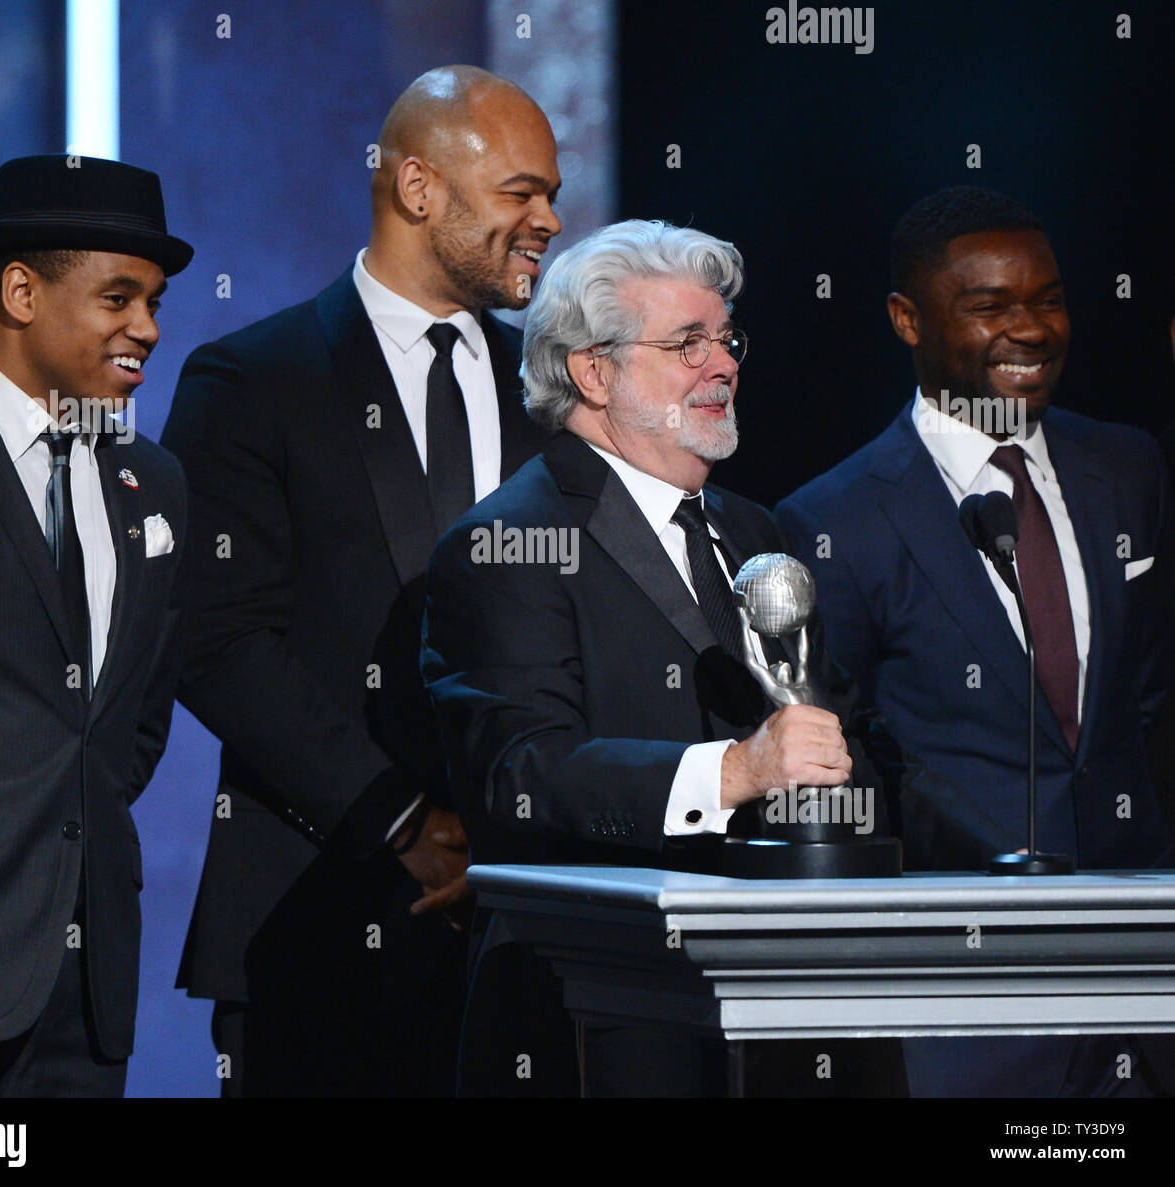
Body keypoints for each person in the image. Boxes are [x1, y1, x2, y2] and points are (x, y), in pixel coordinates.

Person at [421, 219, 904, 1096]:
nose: (722, 364)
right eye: (687, 343)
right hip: (612, 1022)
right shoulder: (505, 541)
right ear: (594, 371)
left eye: (725, 339)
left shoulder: (755, 530)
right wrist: (734, 770)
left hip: (794, 1015)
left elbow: (837, 728)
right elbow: (520, 769)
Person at [165, 65, 560, 1096]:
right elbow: (216, 638)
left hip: (534, 929)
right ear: (419, 188)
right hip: (320, 917)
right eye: (522, 192)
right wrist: (403, 821)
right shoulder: (252, 382)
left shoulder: (554, 396)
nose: (548, 219)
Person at [775, 185, 1174, 1096]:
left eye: (1048, 299)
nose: (1028, 330)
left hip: (1146, 994)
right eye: (989, 306)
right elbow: (848, 779)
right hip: (970, 1008)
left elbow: (1148, 702)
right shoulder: (833, 520)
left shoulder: (1127, 468)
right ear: (907, 319)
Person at [0, 154, 192, 1096]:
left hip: (86, 999)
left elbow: (133, 724)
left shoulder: (154, 482)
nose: (149, 328)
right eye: (120, 298)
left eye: (157, 301)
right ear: (20, 291)